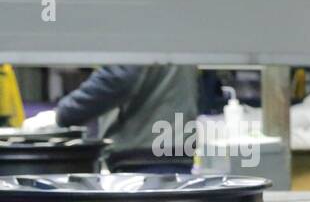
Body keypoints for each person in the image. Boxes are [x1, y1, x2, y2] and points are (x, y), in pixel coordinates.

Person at [22, 64, 199, 172]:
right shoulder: (170, 14)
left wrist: (62, 116)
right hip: (169, 150)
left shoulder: (135, 13)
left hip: (145, 159)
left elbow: (118, 78)